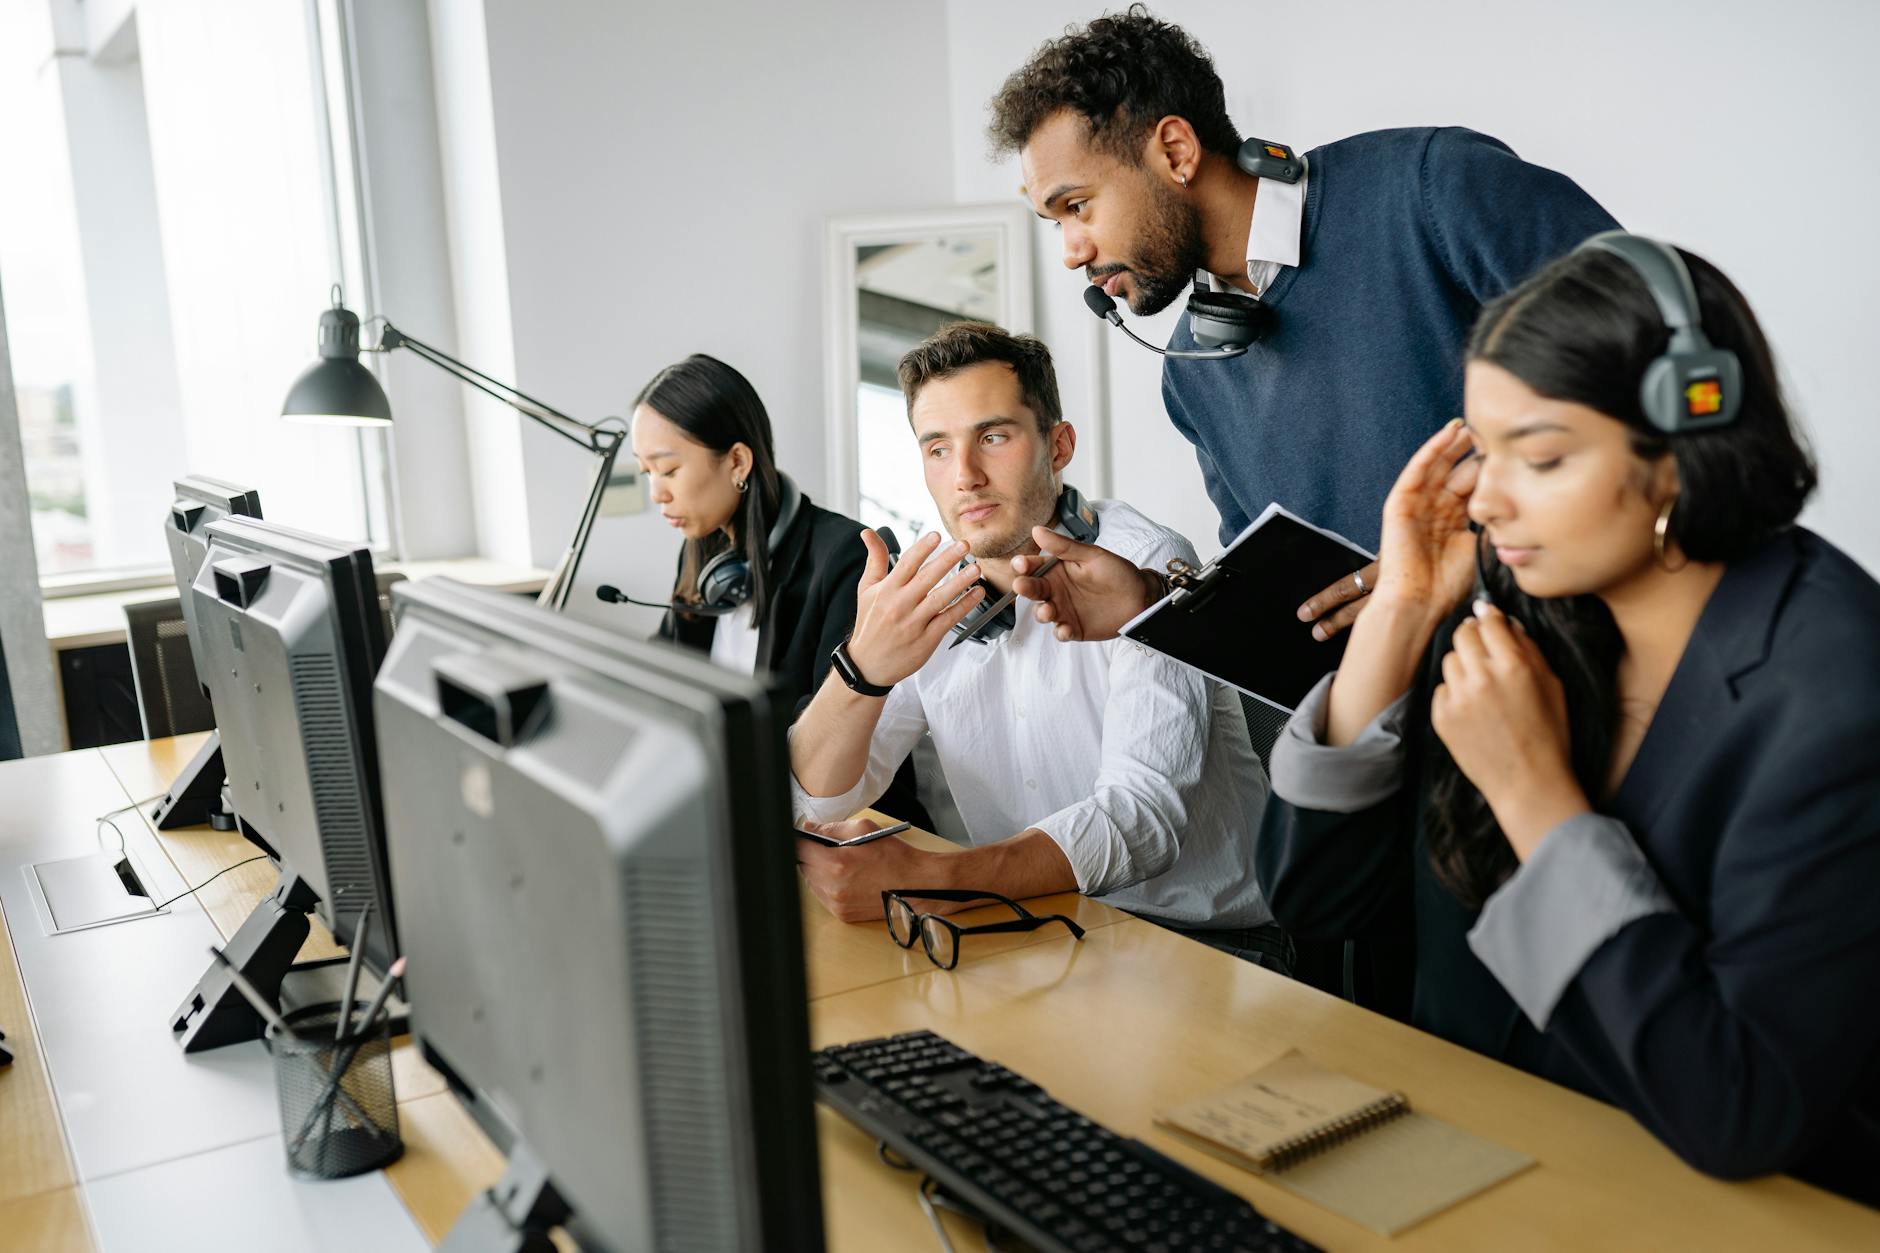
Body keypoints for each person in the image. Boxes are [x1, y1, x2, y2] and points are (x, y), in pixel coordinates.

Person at [1258, 235, 1880, 1202]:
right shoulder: (1517, 599)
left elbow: (1742, 1108)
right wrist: (1403, 607)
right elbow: (1314, 901)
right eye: (1483, 449)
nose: (1490, 499)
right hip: (1455, 1173)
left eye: (1540, 456)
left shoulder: (1840, 693)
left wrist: (1532, 794)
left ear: (1685, 438)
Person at [985, 5, 1617, 644]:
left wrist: (1457, 564)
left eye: (1078, 206)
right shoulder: (1193, 375)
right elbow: (1286, 606)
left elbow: (1650, 371)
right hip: (1414, 732)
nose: (1072, 251)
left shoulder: (1430, 189)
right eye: (1056, 221)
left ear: (1175, 151)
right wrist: (1151, 601)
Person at [789, 324, 1284, 969]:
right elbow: (819, 800)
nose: (964, 476)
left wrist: (936, 879)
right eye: (937, 449)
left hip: (1206, 944)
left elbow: (1141, 823)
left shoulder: (1149, 566)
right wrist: (861, 671)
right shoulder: (926, 592)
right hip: (1032, 926)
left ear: (1060, 444)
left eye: (993, 438)